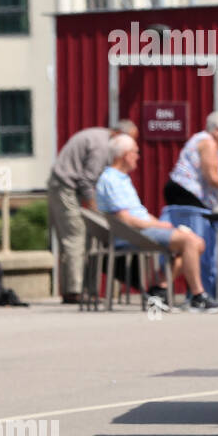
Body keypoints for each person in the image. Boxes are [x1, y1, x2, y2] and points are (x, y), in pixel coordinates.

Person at [95, 135, 218, 312]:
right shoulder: (111, 180)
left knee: (197, 243)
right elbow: (126, 219)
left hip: (140, 229)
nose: (138, 157)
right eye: (135, 152)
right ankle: (198, 296)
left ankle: (159, 289)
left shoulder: (121, 178)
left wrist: (162, 224)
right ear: (125, 155)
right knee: (190, 242)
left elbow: (139, 213)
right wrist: (159, 226)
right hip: (131, 233)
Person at [47, 120, 138, 304]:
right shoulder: (102, 147)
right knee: (76, 236)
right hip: (65, 187)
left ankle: (81, 289)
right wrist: (97, 210)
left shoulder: (101, 137)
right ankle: (74, 291)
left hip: (68, 186)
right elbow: (87, 181)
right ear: (118, 135)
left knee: (82, 237)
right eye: (129, 143)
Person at [164, 112, 218, 209]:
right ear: (216, 130)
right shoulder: (209, 143)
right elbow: (213, 179)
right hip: (188, 192)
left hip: (181, 190)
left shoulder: (201, 139)